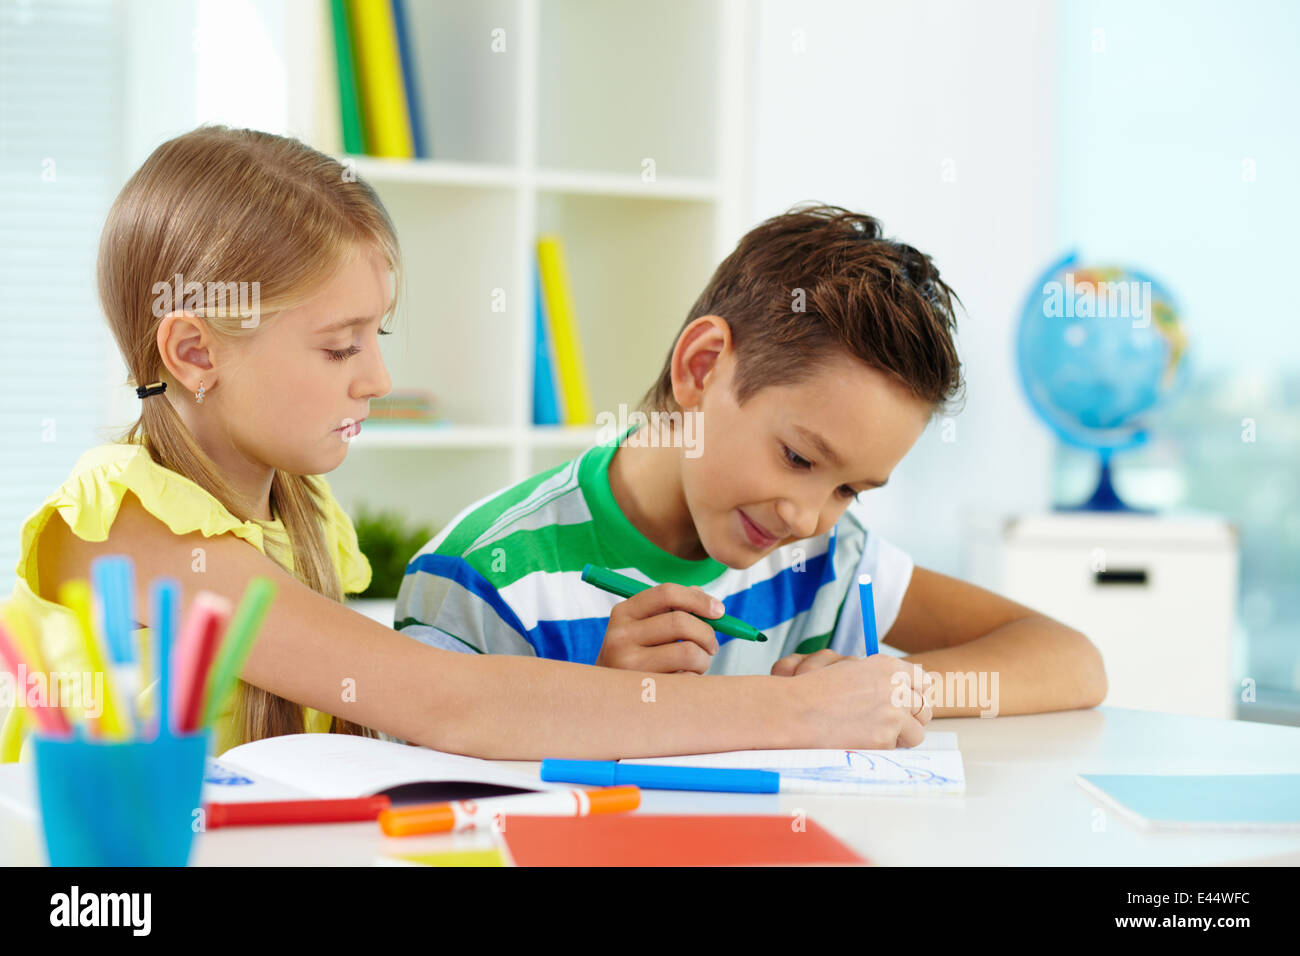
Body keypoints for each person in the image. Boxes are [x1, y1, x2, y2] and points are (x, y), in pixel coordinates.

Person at [0, 129, 932, 763]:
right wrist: (798, 710)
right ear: (195, 350)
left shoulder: (297, 514)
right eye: (339, 345)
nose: (373, 379)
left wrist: (602, 692)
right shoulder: (128, 525)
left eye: (379, 338)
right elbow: (451, 701)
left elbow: (370, 736)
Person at [395, 205, 1108, 718]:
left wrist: (896, 686)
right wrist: (607, 699)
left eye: (851, 489)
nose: (807, 516)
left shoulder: (828, 559)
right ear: (702, 369)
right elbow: (424, 797)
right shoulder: (479, 578)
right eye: (798, 457)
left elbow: (1071, 660)